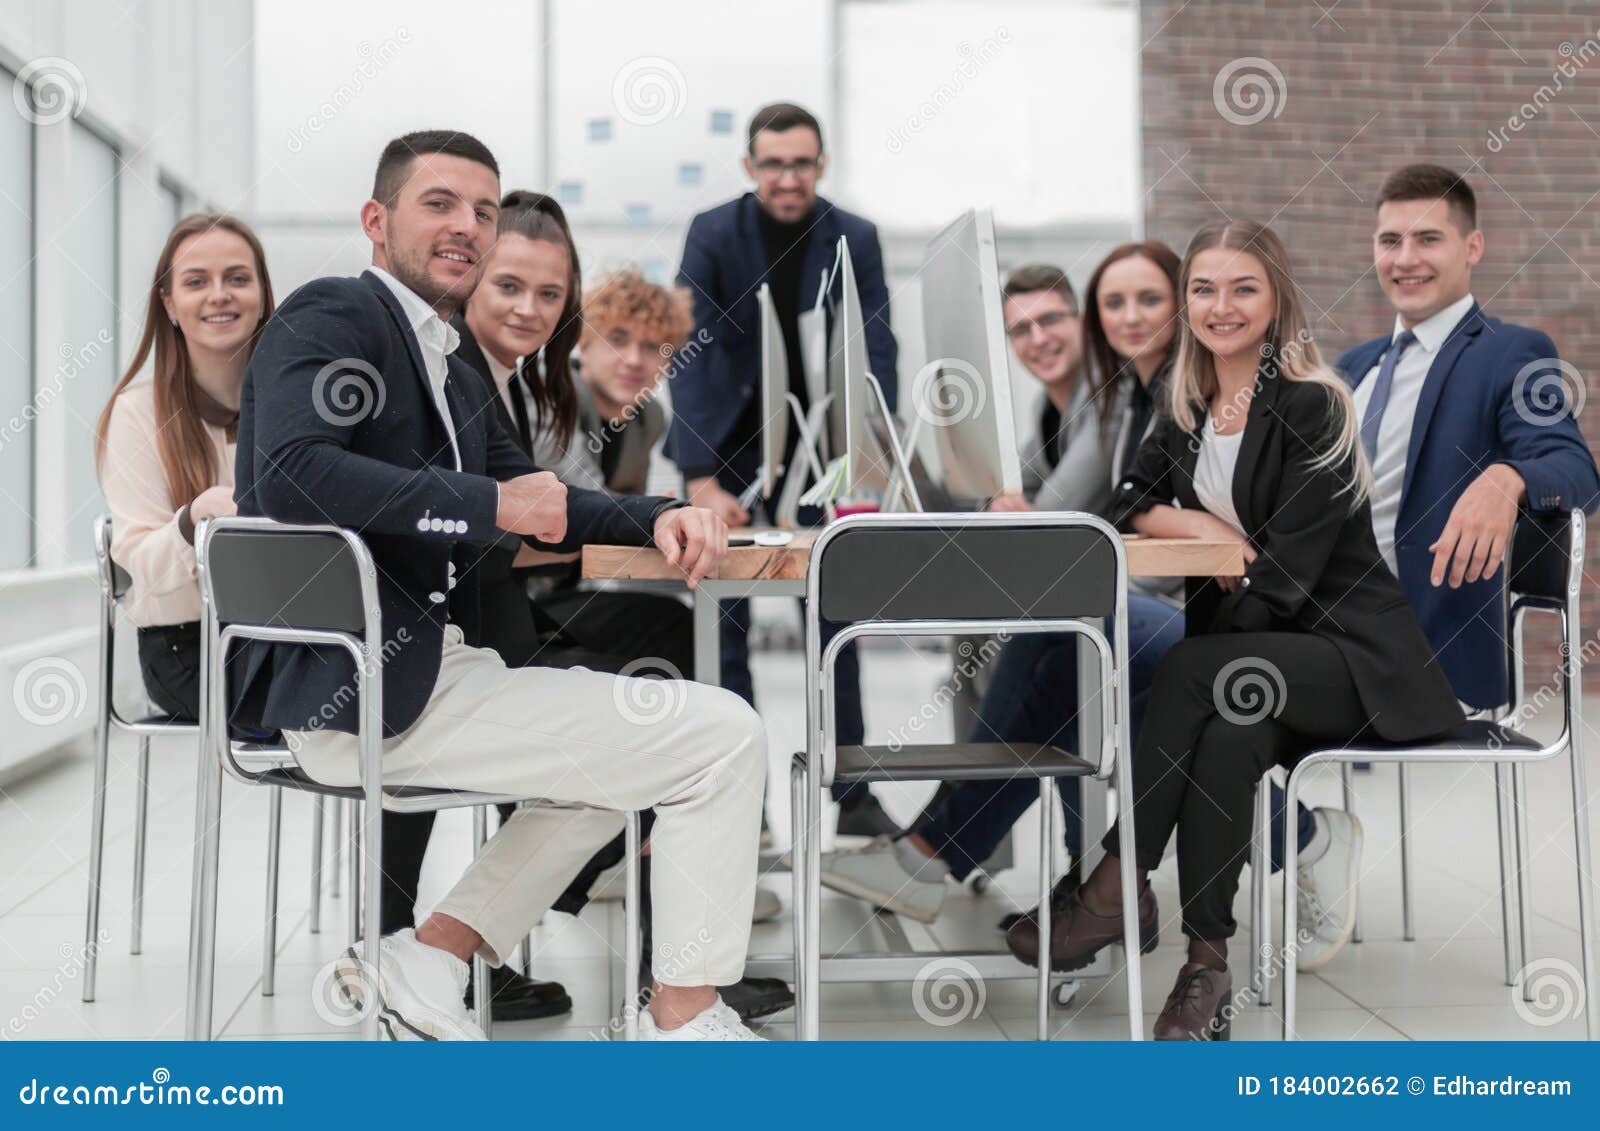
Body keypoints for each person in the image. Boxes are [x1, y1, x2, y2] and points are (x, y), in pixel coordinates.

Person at [232, 129, 768, 1041]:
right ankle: (682, 1018)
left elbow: (546, 501)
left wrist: (661, 514)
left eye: (483, 211)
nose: (467, 227)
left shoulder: (451, 363)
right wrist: (485, 503)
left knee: (619, 767)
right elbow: (290, 473)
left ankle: (430, 958)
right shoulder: (333, 314)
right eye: (438, 204)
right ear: (377, 219)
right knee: (722, 735)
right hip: (355, 686)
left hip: (441, 671)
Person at [1005, 219, 1465, 1040]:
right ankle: (1205, 968)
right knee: (1228, 727)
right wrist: (1190, 524)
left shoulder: (1314, 404)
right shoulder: (1187, 408)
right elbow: (1121, 502)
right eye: (1205, 289)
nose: (1221, 306)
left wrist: (1235, 563)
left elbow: (1282, 583)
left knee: (1188, 669)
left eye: (1243, 287)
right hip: (1253, 663)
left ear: (1277, 298)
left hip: (1352, 659)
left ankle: (1113, 885)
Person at [450, 198, 791, 1019]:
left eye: (655, 348)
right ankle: (659, 929)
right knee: (671, 669)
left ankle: (659, 908)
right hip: (519, 608)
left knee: (677, 658)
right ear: (586, 339)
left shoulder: (646, 424)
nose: (638, 361)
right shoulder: (547, 405)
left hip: (567, 602)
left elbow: (607, 529)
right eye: (620, 341)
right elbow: (549, 528)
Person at [1262, 163, 1600, 970]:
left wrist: (1505, 475)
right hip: (1328, 622)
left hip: (1427, 645)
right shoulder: (1352, 367)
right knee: (1176, 663)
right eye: (1389, 239)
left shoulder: (1516, 352)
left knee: (1209, 686)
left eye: (1427, 238)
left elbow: (1576, 470)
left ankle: (1294, 852)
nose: (1404, 256)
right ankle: (1300, 849)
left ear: (1473, 246)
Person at [817, 248, 1189, 924]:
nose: (1038, 339)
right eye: (1021, 329)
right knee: (1060, 649)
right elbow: (1015, 502)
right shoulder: (1080, 409)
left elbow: (1047, 523)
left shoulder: (1120, 402)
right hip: (1135, 599)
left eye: (1052, 320)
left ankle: (942, 852)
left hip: (1173, 605)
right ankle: (957, 857)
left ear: (1080, 323)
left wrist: (991, 508)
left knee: (1066, 648)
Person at [669, 101, 900, 838]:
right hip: (728, 447)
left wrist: (868, 462)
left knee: (837, 615)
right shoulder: (712, 232)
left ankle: (854, 791)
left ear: (821, 164)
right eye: (772, 163)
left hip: (823, 453)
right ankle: (746, 800)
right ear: (750, 167)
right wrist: (700, 475)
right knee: (722, 626)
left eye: (801, 162)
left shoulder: (854, 235)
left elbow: (877, 349)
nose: (787, 177)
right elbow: (688, 350)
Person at [96, 214, 274, 720]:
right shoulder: (136, 414)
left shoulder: (298, 405)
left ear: (262, 297)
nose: (220, 295)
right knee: (354, 710)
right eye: (197, 282)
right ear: (170, 306)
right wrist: (192, 518)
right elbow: (137, 564)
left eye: (238, 279)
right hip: (190, 649)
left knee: (391, 689)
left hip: (294, 631)